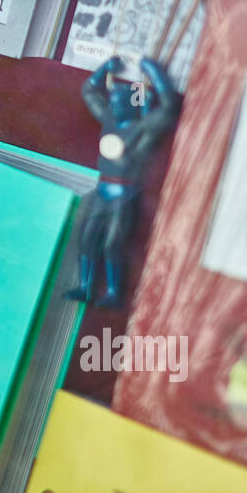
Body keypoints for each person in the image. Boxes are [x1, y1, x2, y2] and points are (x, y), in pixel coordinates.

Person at [65, 56, 179, 308]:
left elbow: (169, 108)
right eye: (112, 101)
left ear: (129, 104)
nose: (113, 105)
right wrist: (104, 68)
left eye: (118, 102)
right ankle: (85, 287)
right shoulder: (109, 119)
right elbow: (89, 91)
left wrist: (156, 73)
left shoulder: (142, 127)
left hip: (124, 195)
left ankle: (114, 293)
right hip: (103, 188)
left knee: (112, 243)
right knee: (87, 237)